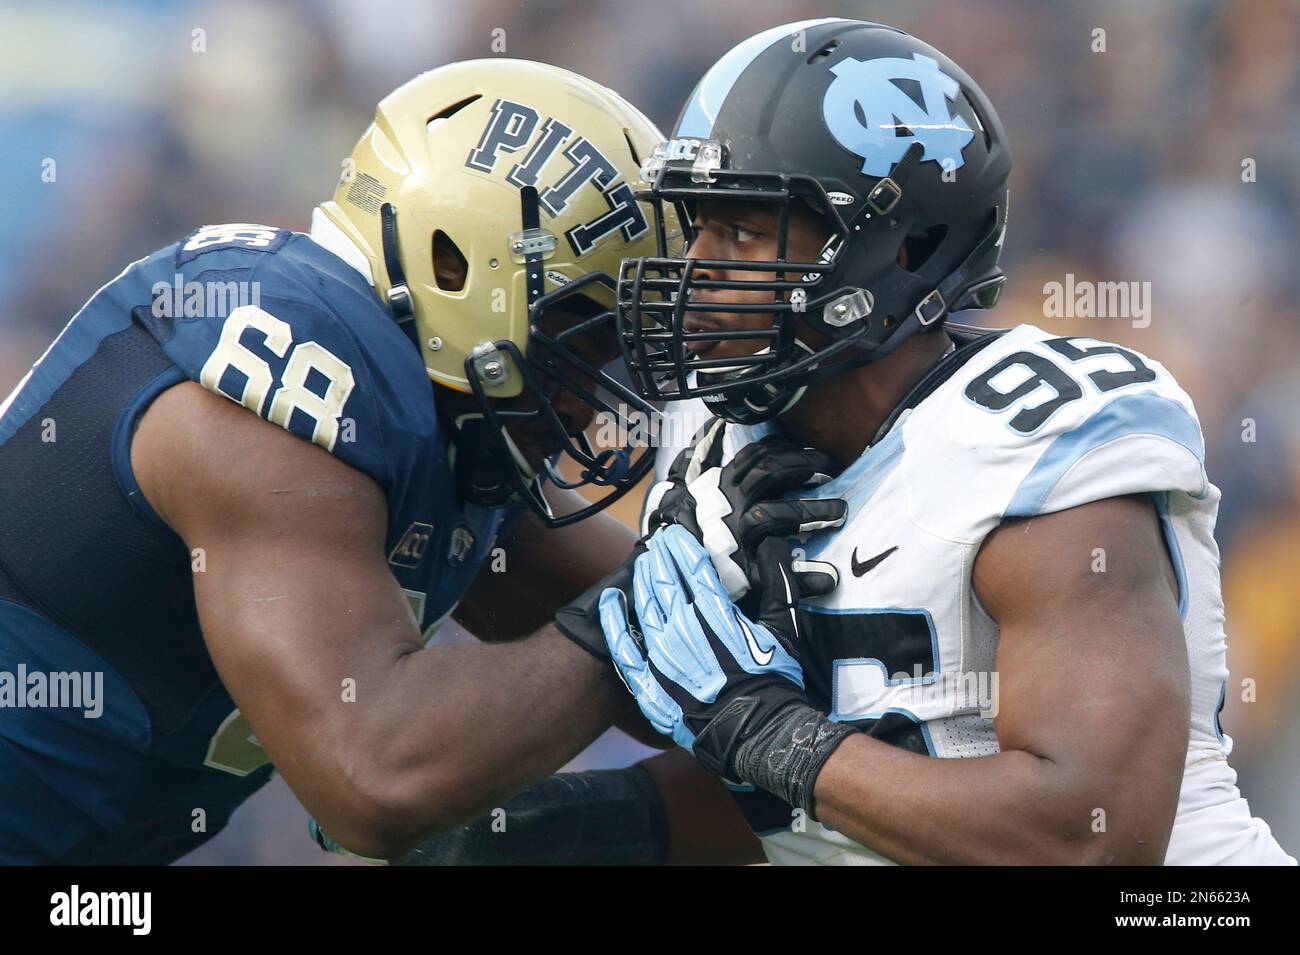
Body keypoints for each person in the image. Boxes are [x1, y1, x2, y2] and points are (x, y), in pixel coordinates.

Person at [367, 19, 1295, 866]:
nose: (697, 272)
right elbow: (818, 799)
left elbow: (1088, 834)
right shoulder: (727, 441)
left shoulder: (1038, 438)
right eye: (697, 228)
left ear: (896, 249)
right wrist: (575, 821)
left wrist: (780, 739)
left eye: (740, 228)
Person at [0, 58, 679, 864]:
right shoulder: (292, 363)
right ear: (454, 264)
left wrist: (743, 579)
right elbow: (376, 774)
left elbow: (660, 657)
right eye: (586, 327)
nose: (599, 391)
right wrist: (660, 611)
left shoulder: (443, 410)